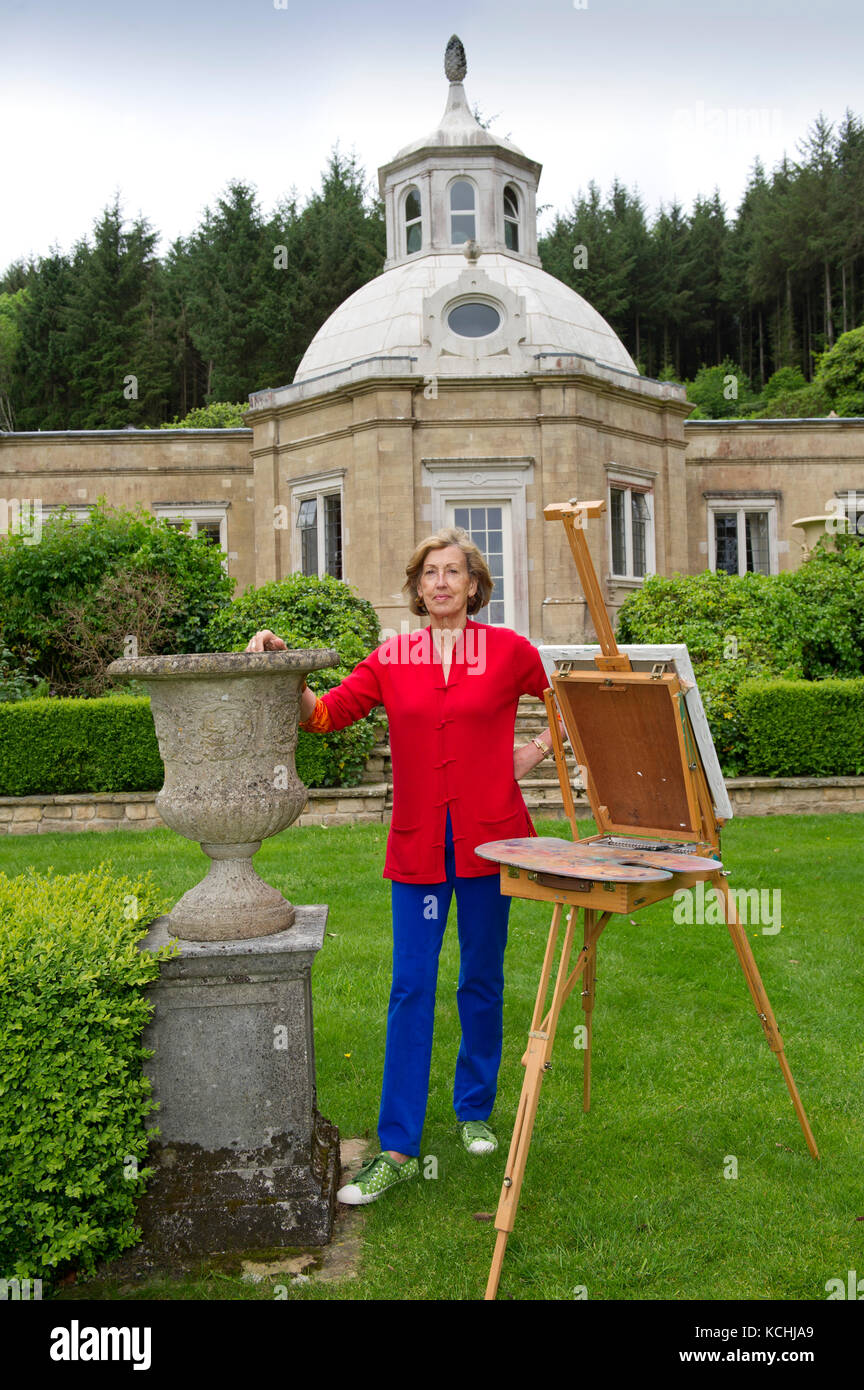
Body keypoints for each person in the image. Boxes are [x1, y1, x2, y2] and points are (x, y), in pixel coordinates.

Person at [245, 527, 559, 1205]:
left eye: (454, 572)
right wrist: (288, 668)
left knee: (481, 978)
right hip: (419, 847)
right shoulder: (395, 656)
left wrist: (531, 753)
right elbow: (324, 716)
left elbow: (571, 701)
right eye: (429, 573)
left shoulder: (508, 652)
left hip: (489, 842)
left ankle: (474, 1109)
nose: (441, 583)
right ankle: (396, 1148)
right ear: (417, 589)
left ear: (475, 584)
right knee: (411, 987)